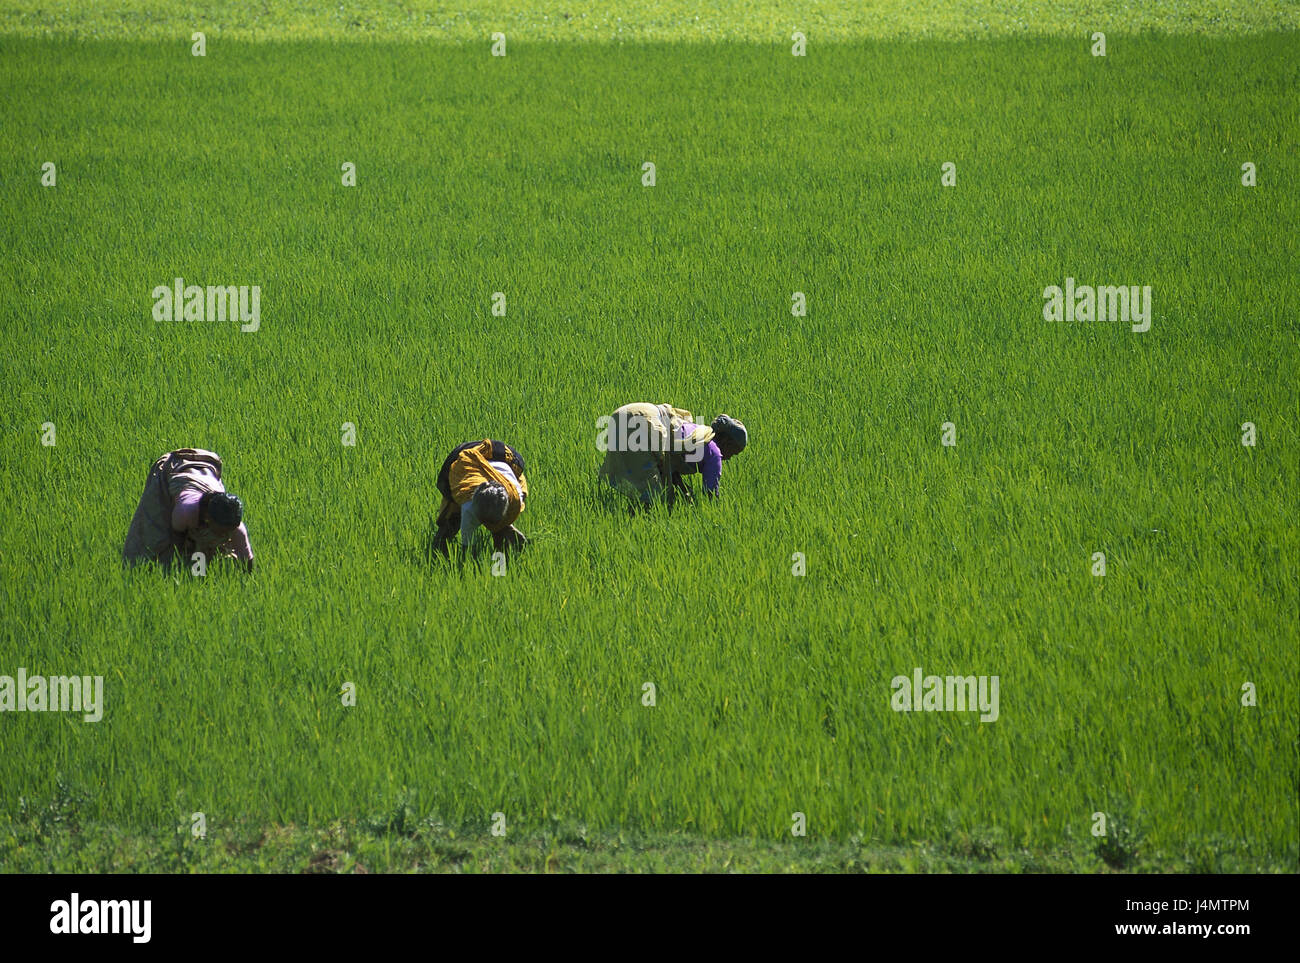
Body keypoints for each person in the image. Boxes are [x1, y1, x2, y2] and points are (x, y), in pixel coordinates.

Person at [122, 448, 254, 571]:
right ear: (209, 517)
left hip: (205, 465)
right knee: (155, 539)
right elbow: (176, 543)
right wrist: (183, 565)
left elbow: (247, 560)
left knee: (206, 541)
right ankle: (133, 568)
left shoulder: (236, 527)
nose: (225, 534)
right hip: (172, 469)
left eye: (227, 531)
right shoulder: (185, 513)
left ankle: (199, 577)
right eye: (222, 530)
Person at [597, 403, 747, 506]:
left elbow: (669, 466)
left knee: (646, 486)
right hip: (645, 422)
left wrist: (685, 494)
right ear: (726, 441)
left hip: (625, 414)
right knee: (654, 500)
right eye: (733, 452)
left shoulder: (697, 432)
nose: (728, 458)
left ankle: (628, 517)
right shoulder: (714, 454)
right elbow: (710, 495)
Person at [432, 439, 529, 556]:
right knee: (450, 518)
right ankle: (438, 548)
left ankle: (504, 530)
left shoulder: (516, 498)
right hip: (464, 456)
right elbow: (467, 549)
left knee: (500, 528)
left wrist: (503, 530)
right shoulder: (468, 505)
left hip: (504, 455)